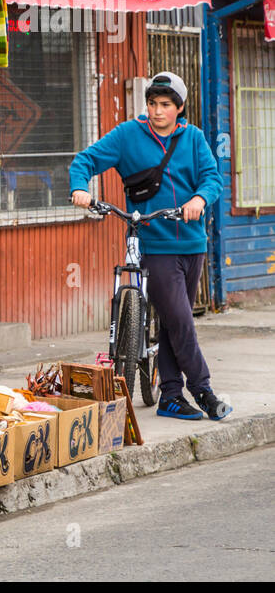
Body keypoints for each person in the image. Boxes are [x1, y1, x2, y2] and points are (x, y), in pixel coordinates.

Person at [69, 71, 229, 421]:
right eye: (153, 104)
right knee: (181, 318)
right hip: (153, 244)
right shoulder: (128, 135)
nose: (158, 111)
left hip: (192, 243)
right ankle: (203, 389)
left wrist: (200, 199)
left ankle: (170, 395)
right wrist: (79, 188)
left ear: (180, 108)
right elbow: (85, 160)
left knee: (175, 321)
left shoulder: (194, 138)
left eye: (166, 105)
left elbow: (212, 177)